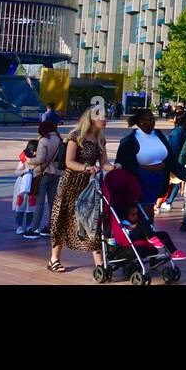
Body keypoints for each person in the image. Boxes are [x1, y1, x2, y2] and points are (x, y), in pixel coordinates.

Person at [47, 107, 110, 274]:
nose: (106, 120)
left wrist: (114, 167)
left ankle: (100, 265)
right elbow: (69, 162)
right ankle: (54, 258)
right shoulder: (76, 136)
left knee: (92, 222)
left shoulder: (101, 140)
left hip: (88, 187)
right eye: (103, 118)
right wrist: (86, 167)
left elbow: (104, 163)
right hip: (70, 183)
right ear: (92, 119)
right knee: (62, 218)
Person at [115, 108, 171, 221]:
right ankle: (145, 233)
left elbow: (170, 156)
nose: (153, 121)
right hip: (143, 180)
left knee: (151, 209)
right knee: (145, 210)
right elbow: (123, 162)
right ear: (141, 122)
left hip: (159, 179)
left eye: (153, 119)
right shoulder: (130, 140)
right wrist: (145, 168)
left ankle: (148, 232)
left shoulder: (158, 134)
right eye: (150, 119)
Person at [29, 120, 63, 235]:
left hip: (43, 174)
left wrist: (29, 160)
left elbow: (40, 159)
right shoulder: (59, 139)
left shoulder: (44, 140)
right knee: (53, 203)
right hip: (56, 173)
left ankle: (34, 228)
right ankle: (50, 227)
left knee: (40, 203)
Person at [14, 140, 40, 237]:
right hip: (22, 185)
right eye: (33, 150)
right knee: (20, 205)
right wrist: (26, 170)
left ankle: (29, 225)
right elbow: (16, 172)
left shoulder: (39, 159)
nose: (34, 153)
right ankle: (19, 226)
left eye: (36, 150)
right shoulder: (24, 159)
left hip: (33, 185)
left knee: (31, 206)